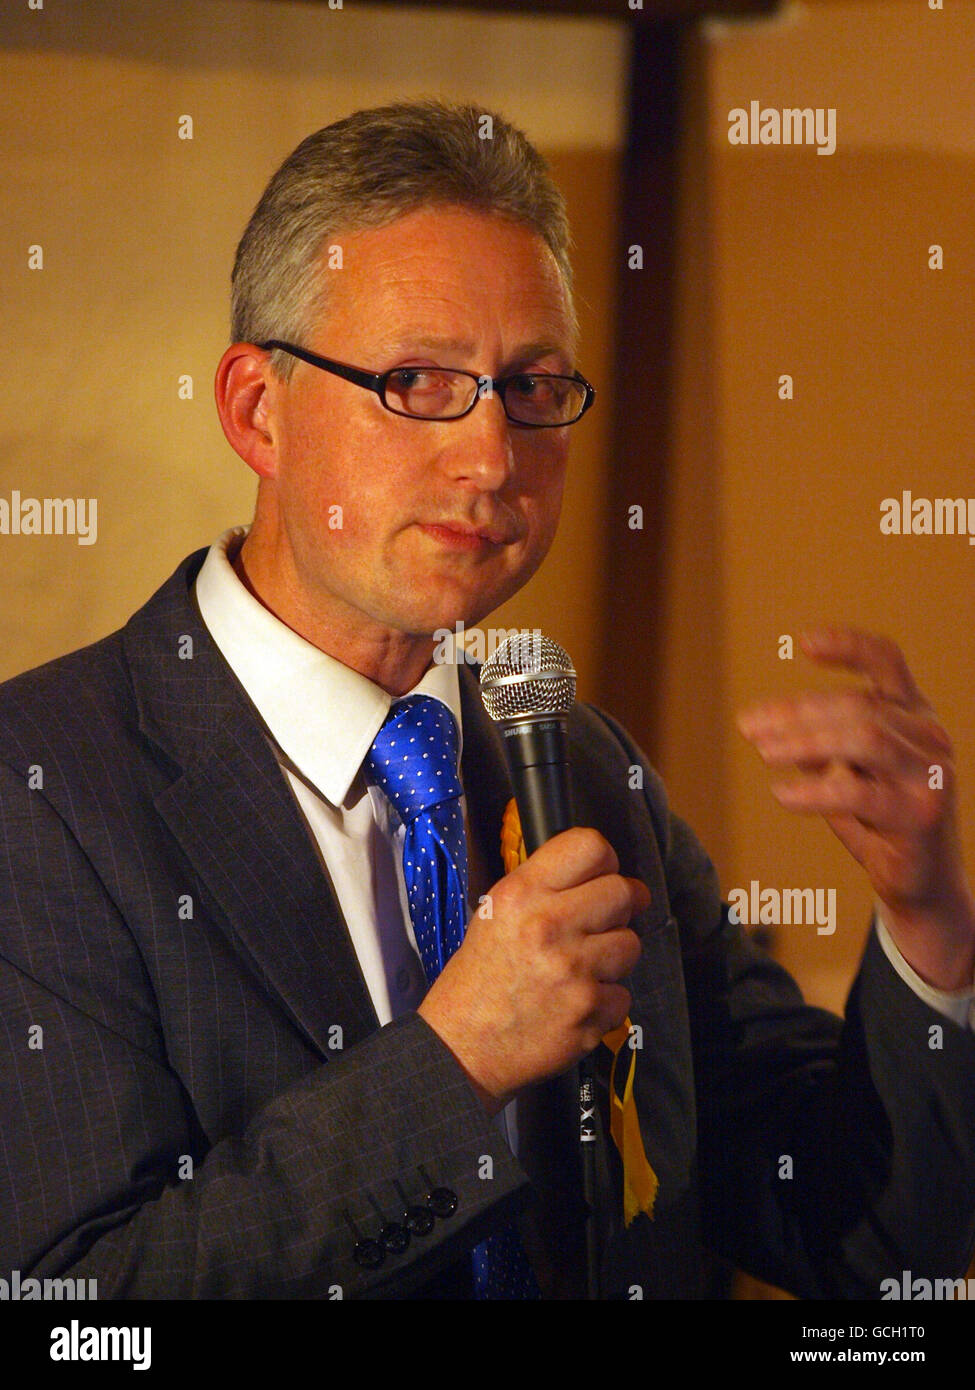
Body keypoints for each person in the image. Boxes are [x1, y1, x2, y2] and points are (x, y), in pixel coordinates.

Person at [1, 99, 973, 1301]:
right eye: (417, 382)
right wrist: (452, 1065)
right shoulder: (42, 790)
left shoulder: (579, 761)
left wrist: (929, 925)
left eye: (532, 388)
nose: (493, 458)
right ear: (257, 409)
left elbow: (853, 1234)